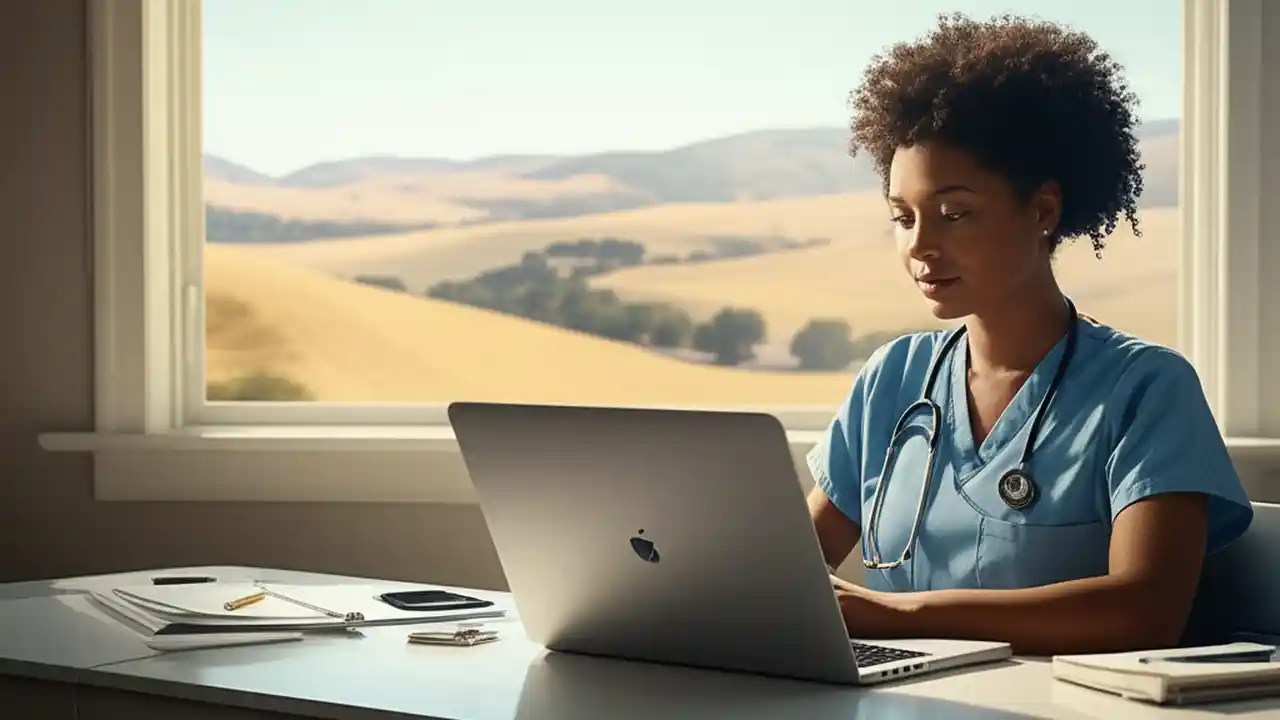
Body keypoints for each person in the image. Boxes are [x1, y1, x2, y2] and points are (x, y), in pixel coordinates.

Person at [806, 13, 1252, 656]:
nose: (921, 246)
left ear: (1042, 210)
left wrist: (900, 614)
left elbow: (1146, 610)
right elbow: (784, 574)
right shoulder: (892, 380)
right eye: (903, 218)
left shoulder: (1146, 388)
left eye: (954, 213)